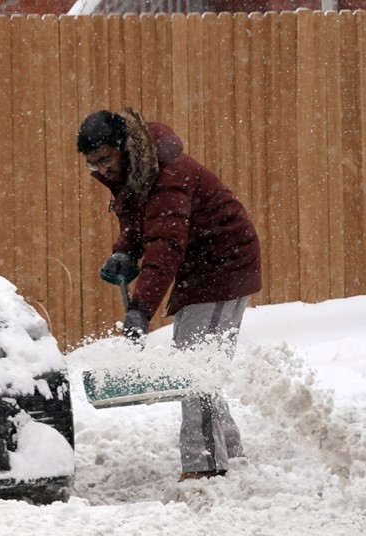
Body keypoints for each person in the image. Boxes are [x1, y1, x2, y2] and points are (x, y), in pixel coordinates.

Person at [76, 108, 263, 482]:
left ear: (123, 147)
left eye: (103, 160)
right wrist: (125, 251)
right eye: (91, 165)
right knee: (197, 364)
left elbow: (165, 244)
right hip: (200, 268)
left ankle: (204, 467)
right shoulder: (136, 172)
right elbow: (138, 222)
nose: (99, 170)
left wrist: (141, 309)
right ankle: (229, 452)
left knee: (194, 369)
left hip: (222, 265)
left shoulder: (168, 174)